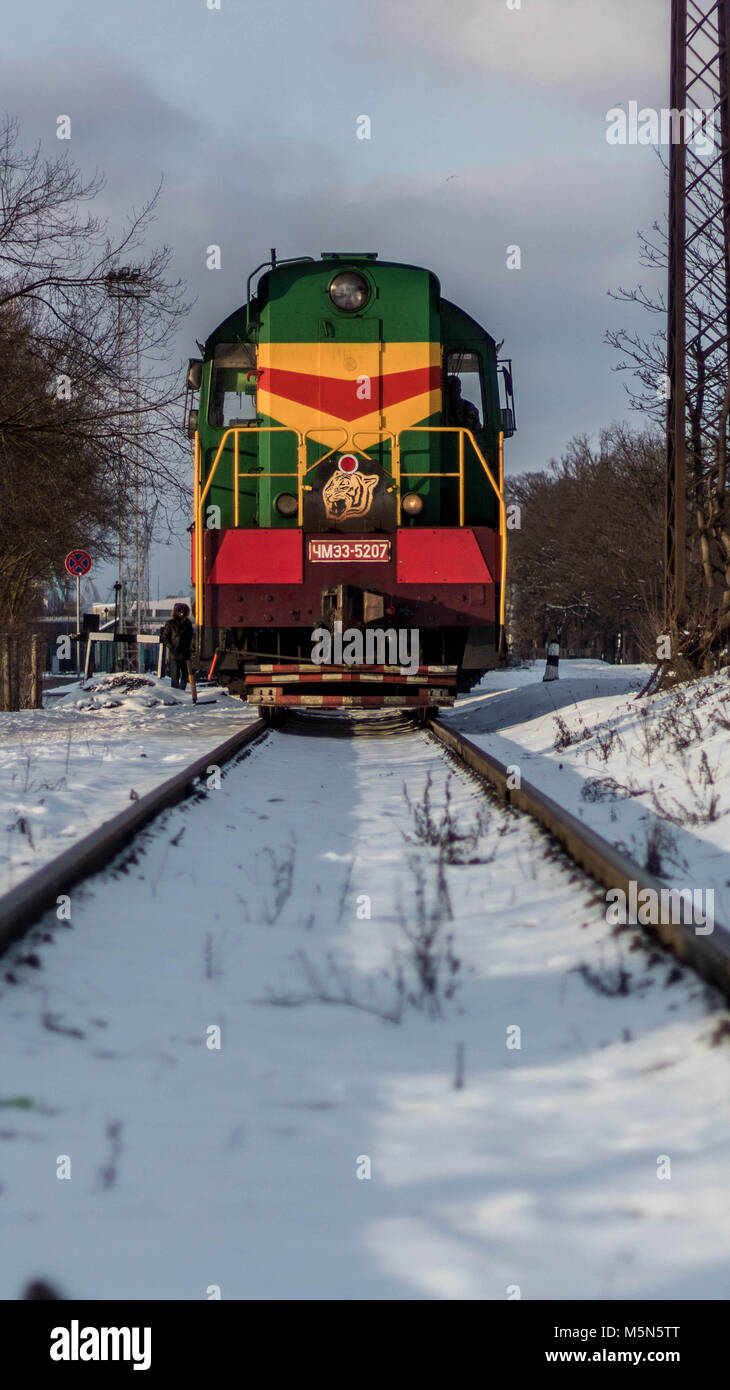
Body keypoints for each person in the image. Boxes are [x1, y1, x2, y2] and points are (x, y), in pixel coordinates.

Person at [160, 603, 194, 690]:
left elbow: (191, 637)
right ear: (176, 612)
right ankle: (175, 692)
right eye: (180, 610)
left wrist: (191, 648)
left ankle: (182, 691)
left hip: (185, 653)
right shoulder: (170, 623)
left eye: (184, 610)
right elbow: (165, 637)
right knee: (175, 674)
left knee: (185, 674)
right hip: (174, 653)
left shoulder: (188, 623)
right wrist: (171, 647)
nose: (182, 612)